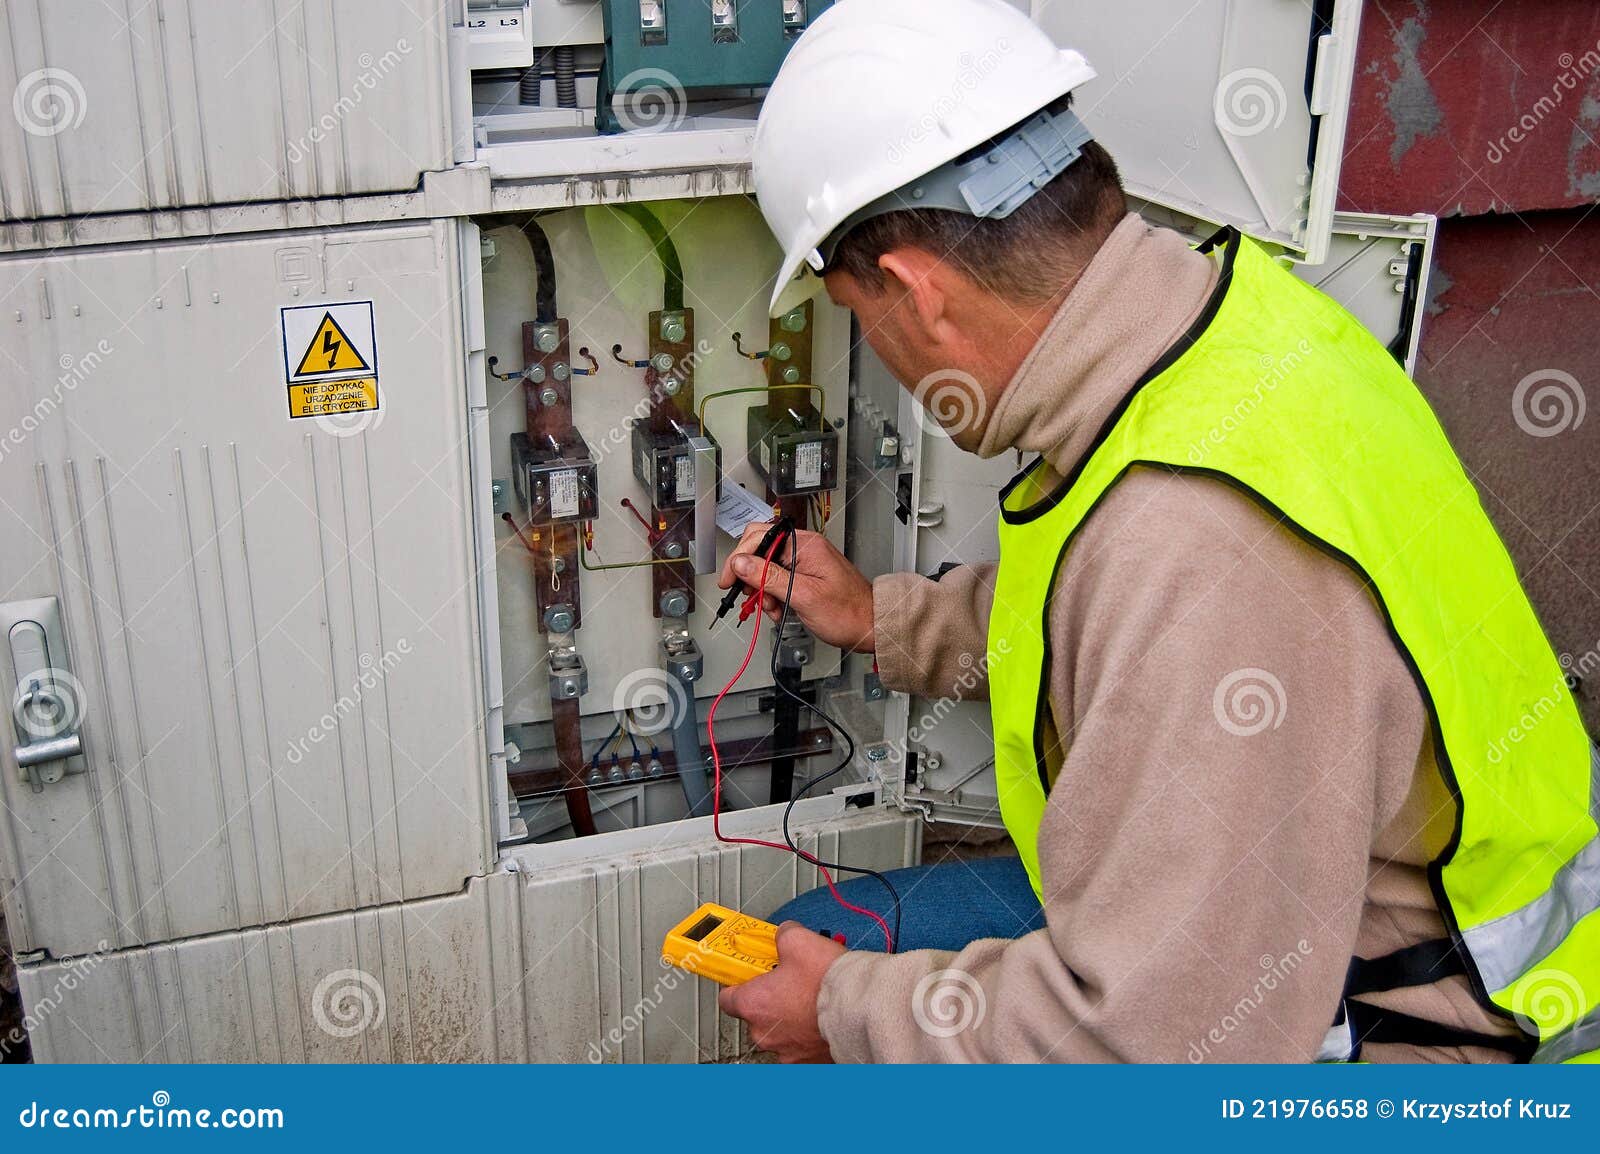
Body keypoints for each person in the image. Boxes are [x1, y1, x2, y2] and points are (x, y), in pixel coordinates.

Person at [714, 0, 1598, 1064]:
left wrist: (846, 1011)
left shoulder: (1198, 545)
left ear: (915, 291)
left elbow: (1153, 1050)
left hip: (1424, 1051)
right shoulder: (1237, 332)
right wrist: (882, 617)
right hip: (1325, 951)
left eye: (860, 311)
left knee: (816, 973)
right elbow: (1105, 620)